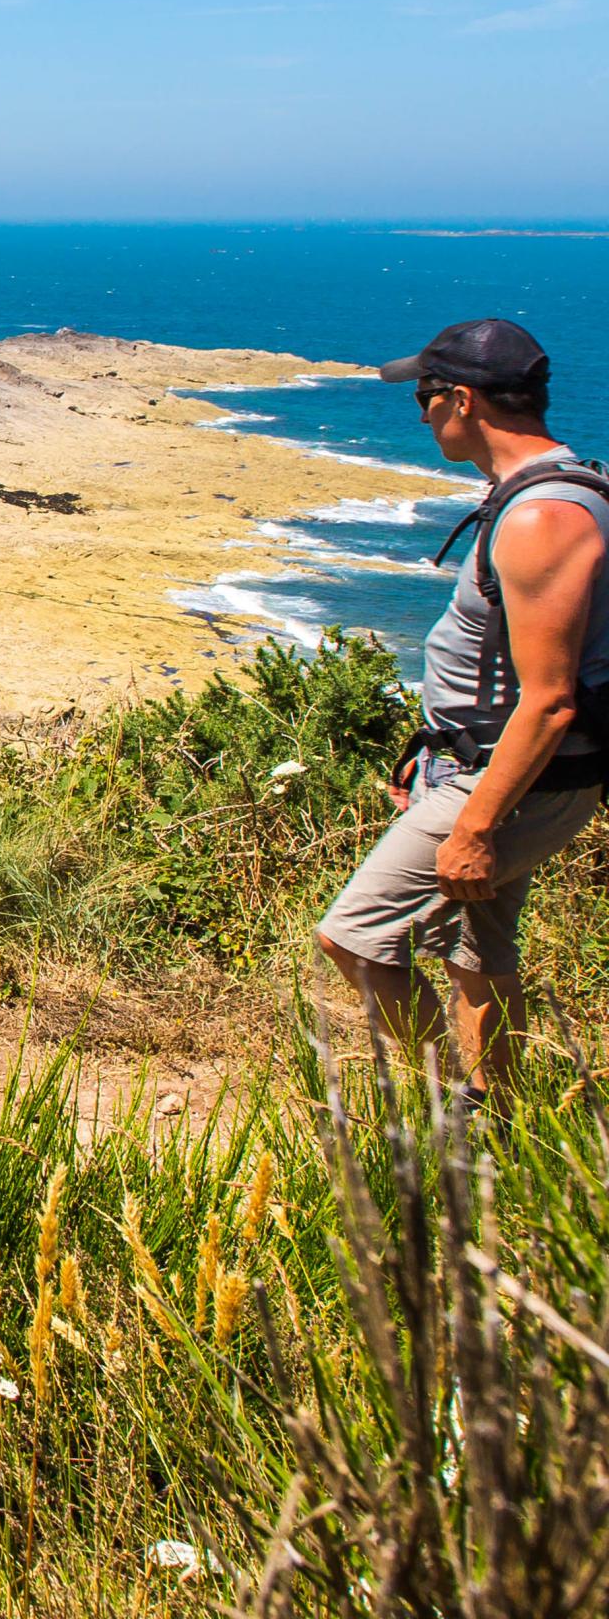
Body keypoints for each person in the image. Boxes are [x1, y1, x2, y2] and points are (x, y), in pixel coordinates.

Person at [317, 319, 609, 1107]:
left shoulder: (543, 516)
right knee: (476, 955)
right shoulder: (557, 489)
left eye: (425, 397)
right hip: (491, 768)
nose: (419, 416)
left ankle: (450, 1112)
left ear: (463, 400)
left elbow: (549, 701)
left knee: (358, 938)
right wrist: (438, 748)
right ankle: (507, 1124)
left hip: (510, 783)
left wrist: (476, 822)